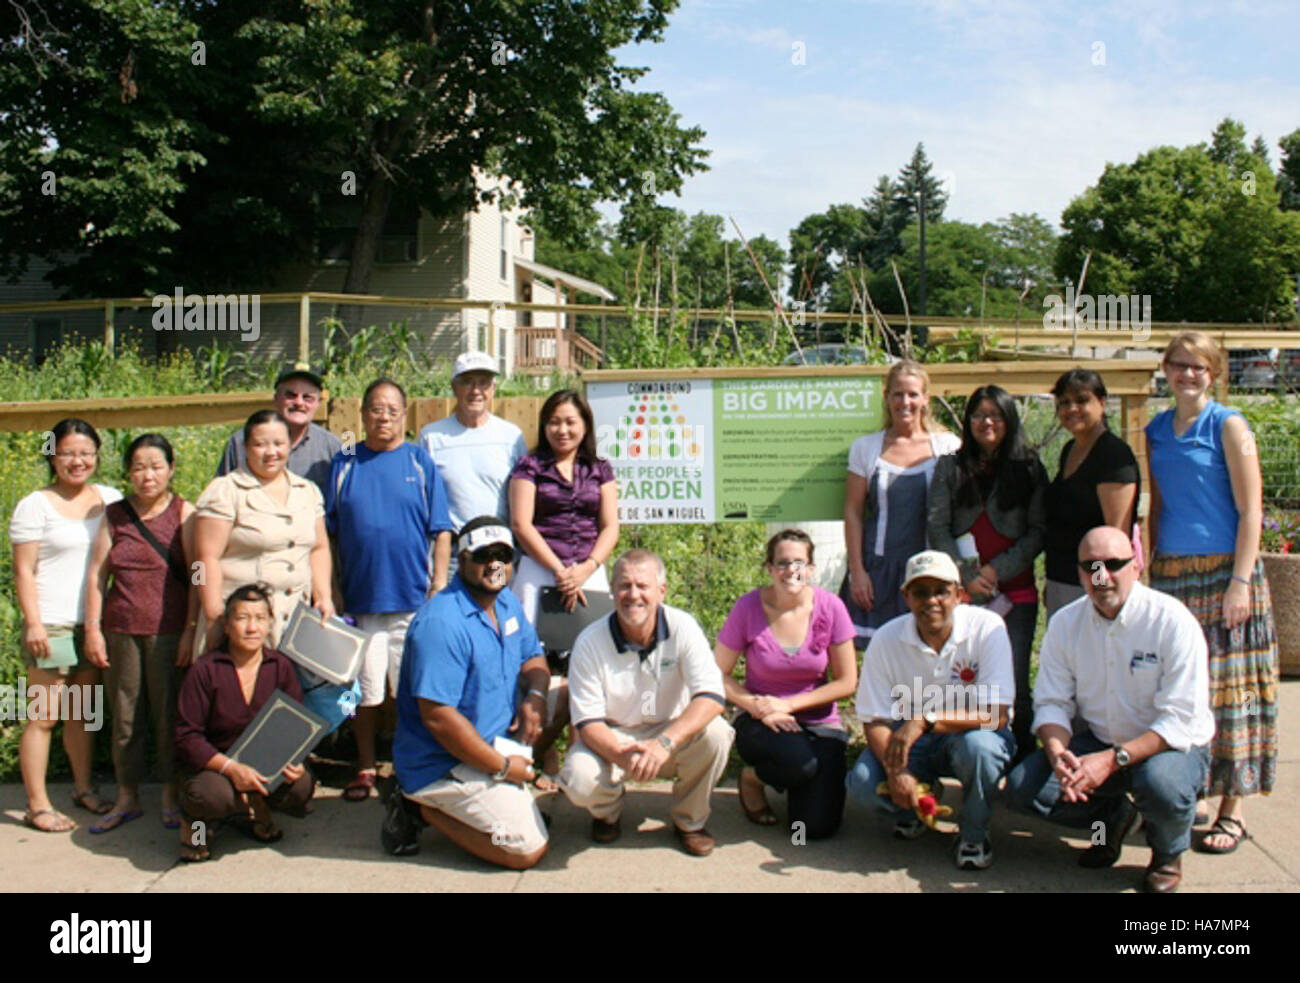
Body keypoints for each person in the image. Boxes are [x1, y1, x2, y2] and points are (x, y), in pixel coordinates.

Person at [1005, 527, 1214, 894]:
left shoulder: (1172, 622)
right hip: (1101, 744)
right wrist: (1057, 755)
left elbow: (1179, 720)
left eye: (1113, 565)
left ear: (1137, 565)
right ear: (1080, 572)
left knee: (1161, 785)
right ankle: (1111, 820)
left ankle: (1167, 853)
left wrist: (1111, 761)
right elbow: (1053, 703)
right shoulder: (1066, 624)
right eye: (1091, 566)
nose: (1101, 576)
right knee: (1025, 788)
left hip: (1168, 749)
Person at [1146, 331, 1277, 855]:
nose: (1187, 374)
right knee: (1183, 689)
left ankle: (1233, 807)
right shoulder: (1155, 430)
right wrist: (1152, 568)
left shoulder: (1230, 427)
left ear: (1214, 372)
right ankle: (1192, 785)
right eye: (1178, 364)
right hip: (1175, 576)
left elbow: (1252, 512)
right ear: (1167, 370)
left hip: (1227, 575)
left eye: (1198, 366)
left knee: (1232, 691)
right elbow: (1156, 506)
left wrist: (1240, 582)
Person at [384, 517, 550, 869]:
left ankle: (506, 796)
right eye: (483, 555)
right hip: (445, 762)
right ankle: (419, 807)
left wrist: (535, 698)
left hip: (495, 738)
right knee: (524, 850)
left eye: (503, 555)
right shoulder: (442, 622)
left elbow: (534, 657)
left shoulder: (506, 602)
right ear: (462, 560)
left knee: (559, 694)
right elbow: (439, 718)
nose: (494, 564)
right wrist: (504, 768)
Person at [845, 550, 1015, 871]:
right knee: (865, 783)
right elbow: (874, 719)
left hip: (969, 735)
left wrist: (924, 719)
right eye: (920, 592)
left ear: (959, 594)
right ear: (905, 596)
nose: (931, 601)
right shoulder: (886, 639)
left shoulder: (987, 628)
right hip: (914, 745)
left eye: (941, 591)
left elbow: (998, 715)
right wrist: (898, 773)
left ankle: (974, 833)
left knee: (981, 750)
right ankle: (916, 804)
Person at [326, 378, 453, 802]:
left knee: (411, 692)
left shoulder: (419, 462)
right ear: (362, 415)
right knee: (362, 691)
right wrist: (331, 588)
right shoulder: (344, 462)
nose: (384, 417)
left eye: (392, 410)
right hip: (360, 601)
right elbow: (326, 534)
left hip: (411, 599)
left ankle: (406, 766)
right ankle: (363, 765)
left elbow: (442, 531)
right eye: (376, 409)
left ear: (404, 415)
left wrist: (438, 584)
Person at [560, 549, 734, 857]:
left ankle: (689, 821)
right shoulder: (589, 641)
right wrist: (621, 755)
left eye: (643, 586)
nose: (633, 595)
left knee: (718, 733)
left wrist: (664, 743)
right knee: (578, 777)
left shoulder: (684, 627)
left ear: (661, 591)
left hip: (671, 731)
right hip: (615, 734)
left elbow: (711, 696)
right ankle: (607, 813)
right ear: (612, 591)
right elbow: (587, 722)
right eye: (624, 585)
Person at [10, 418, 122, 832]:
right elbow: (23, 571)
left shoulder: (110, 499)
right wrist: (33, 623)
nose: (77, 461)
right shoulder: (35, 504)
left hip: (93, 624)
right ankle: (37, 805)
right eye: (67, 453)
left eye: (86, 453)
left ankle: (82, 787)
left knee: (83, 713)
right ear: (52, 456)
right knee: (44, 717)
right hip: (52, 623)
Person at [82, 434, 198, 833]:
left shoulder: (185, 512)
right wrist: (94, 630)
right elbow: (98, 576)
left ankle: (170, 794)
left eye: (156, 466)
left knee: (169, 716)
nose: (147, 475)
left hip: (169, 632)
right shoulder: (114, 515)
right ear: (128, 472)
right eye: (138, 467)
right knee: (125, 718)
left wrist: (191, 628)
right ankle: (127, 796)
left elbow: (199, 575)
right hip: (121, 631)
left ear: (171, 469)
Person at [928, 385, 1048, 761]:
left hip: (1015, 593)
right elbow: (937, 525)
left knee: (1012, 678)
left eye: (995, 414)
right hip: (962, 594)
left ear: (1009, 420)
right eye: (978, 415)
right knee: (961, 677)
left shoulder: (1029, 467)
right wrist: (965, 574)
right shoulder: (950, 466)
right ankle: (966, 756)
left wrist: (998, 569)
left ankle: (1022, 761)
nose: (987, 422)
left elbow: (1038, 530)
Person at [714, 530, 857, 839]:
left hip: (820, 723)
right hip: (761, 719)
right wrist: (760, 707)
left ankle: (801, 795)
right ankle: (753, 778)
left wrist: (790, 705)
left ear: (811, 568)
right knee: (800, 764)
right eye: (782, 563)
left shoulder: (831, 607)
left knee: (811, 830)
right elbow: (717, 673)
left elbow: (847, 682)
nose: (791, 570)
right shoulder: (748, 607)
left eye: (799, 562)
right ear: (769, 568)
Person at [508, 388, 619, 786]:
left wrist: (586, 568)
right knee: (536, 664)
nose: (562, 429)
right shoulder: (529, 466)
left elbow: (610, 526)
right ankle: (541, 753)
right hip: (540, 574)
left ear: (585, 424)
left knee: (587, 664)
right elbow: (522, 525)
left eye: (570, 421)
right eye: (554, 421)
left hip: (590, 574)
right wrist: (560, 570)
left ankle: (584, 751)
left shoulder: (600, 468)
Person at [173, 584, 316, 862]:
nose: (252, 628)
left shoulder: (280, 666)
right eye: (242, 619)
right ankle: (194, 825)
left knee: (301, 786)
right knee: (210, 797)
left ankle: (255, 806)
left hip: (263, 763)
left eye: (260, 619)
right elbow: (186, 736)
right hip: (215, 767)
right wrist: (231, 768)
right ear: (227, 626)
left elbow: (296, 723)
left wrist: (295, 760)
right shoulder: (206, 669)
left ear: (269, 624)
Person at [193, 409, 334, 659]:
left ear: (290, 445)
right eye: (260, 444)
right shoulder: (225, 491)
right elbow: (201, 562)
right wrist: (213, 613)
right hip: (240, 626)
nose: (271, 452)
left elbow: (319, 548)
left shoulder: (308, 491)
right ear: (246, 447)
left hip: (295, 622)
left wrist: (323, 596)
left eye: (279, 444)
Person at [841, 360, 961, 647]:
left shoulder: (948, 446)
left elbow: (962, 513)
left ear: (925, 399)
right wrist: (858, 571)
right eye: (897, 394)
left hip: (931, 571)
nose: (905, 402)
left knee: (931, 650)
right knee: (877, 655)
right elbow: (853, 511)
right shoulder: (866, 448)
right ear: (886, 397)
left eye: (912, 394)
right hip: (879, 570)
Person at [1043, 368, 1139, 621]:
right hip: (1061, 578)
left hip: (1092, 585)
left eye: (1082, 400)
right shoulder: (1069, 450)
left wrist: (1100, 587)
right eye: (1064, 402)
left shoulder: (1114, 457)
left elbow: (1115, 535)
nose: (1072, 408)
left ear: (1102, 403)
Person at [418, 351, 528, 542]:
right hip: (452, 554)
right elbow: (421, 498)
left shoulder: (511, 436)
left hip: (498, 551)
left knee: (499, 574)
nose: (475, 390)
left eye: (483, 382)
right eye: (467, 381)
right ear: (454, 387)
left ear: (493, 388)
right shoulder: (432, 437)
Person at [216, 364, 342, 494]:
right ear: (276, 399)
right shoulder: (240, 443)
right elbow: (220, 494)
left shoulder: (331, 447)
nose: (299, 403)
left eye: (307, 397)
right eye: (291, 395)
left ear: (318, 403)